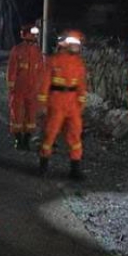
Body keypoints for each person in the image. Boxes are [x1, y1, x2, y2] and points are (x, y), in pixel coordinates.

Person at [37, 30, 88, 180]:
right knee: (50, 134)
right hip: (56, 102)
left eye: (78, 44)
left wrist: (81, 102)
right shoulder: (53, 61)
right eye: (74, 44)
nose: (76, 47)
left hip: (72, 103)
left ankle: (75, 169)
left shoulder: (78, 63)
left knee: (75, 135)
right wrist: (42, 104)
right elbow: (45, 83)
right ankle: (43, 165)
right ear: (66, 44)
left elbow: (81, 84)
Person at [6, 22, 44, 151]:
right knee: (17, 113)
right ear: (25, 34)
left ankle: (26, 140)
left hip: (32, 89)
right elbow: (12, 69)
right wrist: (11, 86)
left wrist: (40, 86)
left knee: (31, 115)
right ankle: (18, 138)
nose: (35, 36)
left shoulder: (37, 52)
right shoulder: (17, 50)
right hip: (19, 88)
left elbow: (41, 71)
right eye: (32, 33)